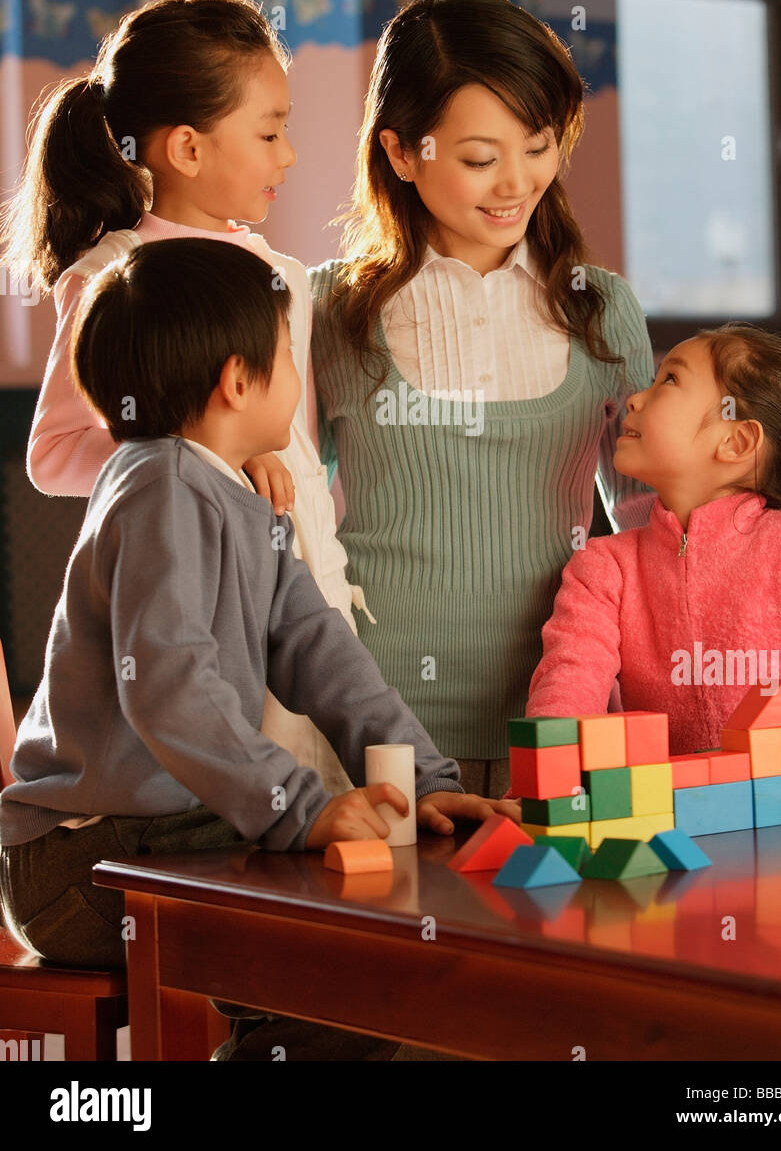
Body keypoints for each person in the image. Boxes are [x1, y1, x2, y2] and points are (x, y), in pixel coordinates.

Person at [307, 0, 781, 789]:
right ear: (398, 153)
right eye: (478, 159)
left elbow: (666, 521)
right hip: (374, 730)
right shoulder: (326, 310)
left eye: (538, 146)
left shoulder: (598, 309)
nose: (515, 184)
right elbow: (290, 524)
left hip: (573, 732)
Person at [0, 237, 519, 1060]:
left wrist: (420, 779)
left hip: (165, 835)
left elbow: (322, 652)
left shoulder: (230, 492)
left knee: (352, 952)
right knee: (334, 975)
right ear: (237, 381)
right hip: (85, 858)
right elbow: (168, 687)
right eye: (288, 355)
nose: (298, 374)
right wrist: (304, 809)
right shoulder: (161, 484)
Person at [0, 0, 355, 791]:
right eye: (269, 133)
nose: (288, 155)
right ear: (187, 149)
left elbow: (296, 448)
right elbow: (53, 457)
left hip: (306, 593)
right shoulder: (113, 276)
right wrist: (199, 451)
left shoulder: (279, 274)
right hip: (199, 613)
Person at [525, 324, 781, 754]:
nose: (635, 398)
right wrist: (545, 783)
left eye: (669, 379)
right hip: (673, 816)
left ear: (735, 441)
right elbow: (568, 687)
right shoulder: (604, 568)